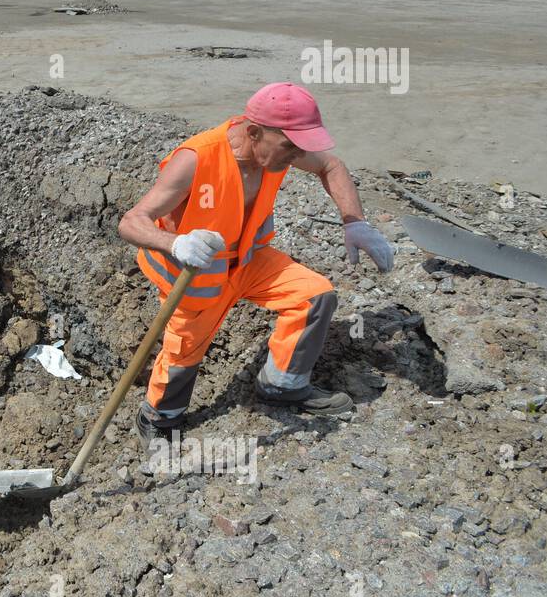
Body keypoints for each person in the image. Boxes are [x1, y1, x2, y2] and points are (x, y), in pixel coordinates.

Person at [116, 82, 394, 443]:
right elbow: (131, 222)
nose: (295, 156)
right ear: (253, 132)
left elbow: (330, 165)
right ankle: (158, 418)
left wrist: (354, 221)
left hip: (248, 259)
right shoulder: (196, 158)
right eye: (289, 146)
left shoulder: (276, 150)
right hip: (196, 273)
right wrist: (176, 243)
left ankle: (282, 385)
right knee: (184, 353)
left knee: (314, 296)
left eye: (300, 147)